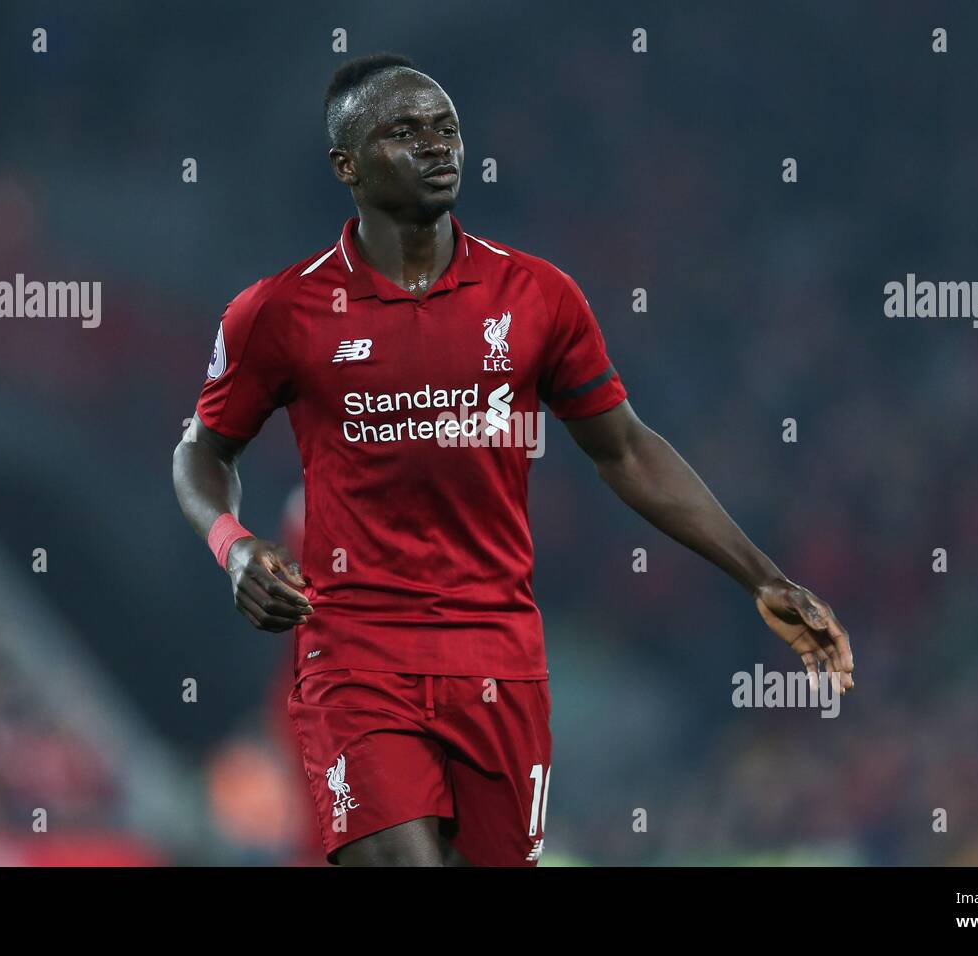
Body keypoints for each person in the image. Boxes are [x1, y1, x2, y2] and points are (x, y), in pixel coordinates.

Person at [173, 53, 853, 867]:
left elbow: (627, 449)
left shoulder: (538, 297)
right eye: (405, 131)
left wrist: (763, 576)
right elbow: (203, 456)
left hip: (500, 666)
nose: (436, 146)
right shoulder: (278, 313)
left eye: (446, 129)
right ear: (347, 165)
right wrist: (232, 544)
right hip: (358, 662)